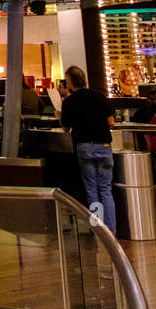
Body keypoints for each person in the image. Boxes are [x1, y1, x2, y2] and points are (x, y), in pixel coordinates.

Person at [59, 65, 116, 234]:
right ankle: (111, 232)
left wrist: (59, 116)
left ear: (70, 81)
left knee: (91, 189)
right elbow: (111, 121)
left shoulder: (69, 101)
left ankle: (98, 229)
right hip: (103, 145)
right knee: (106, 189)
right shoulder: (99, 96)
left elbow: (66, 128)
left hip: (84, 146)